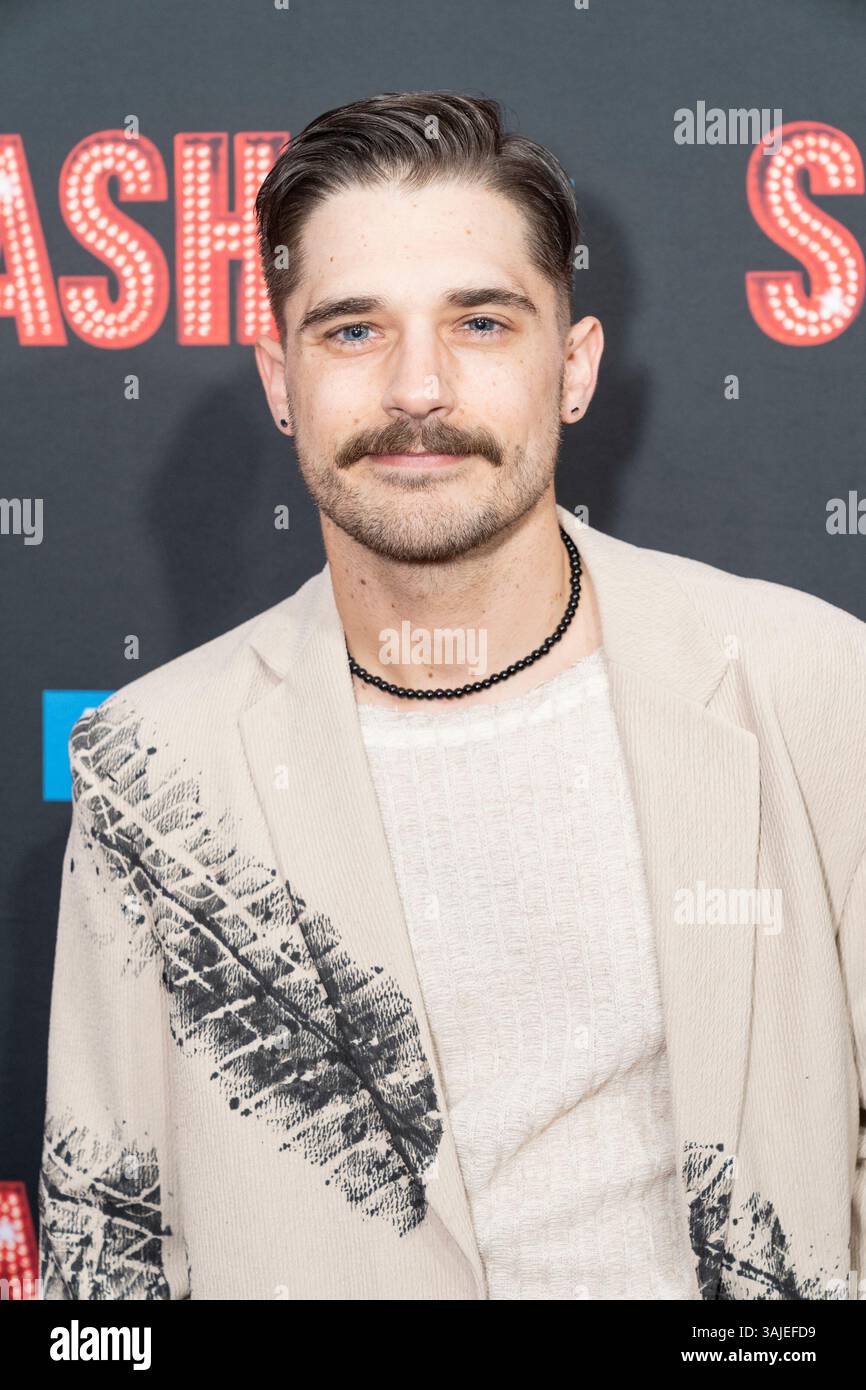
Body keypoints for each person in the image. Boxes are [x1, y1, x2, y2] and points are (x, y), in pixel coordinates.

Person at [39, 90, 866, 1301]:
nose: (416, 388)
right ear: (278, 378)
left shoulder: (811, 684)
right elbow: (97, 1278)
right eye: (351, 331)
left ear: (571, 367)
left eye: (480, 323)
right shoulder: (153, 766)